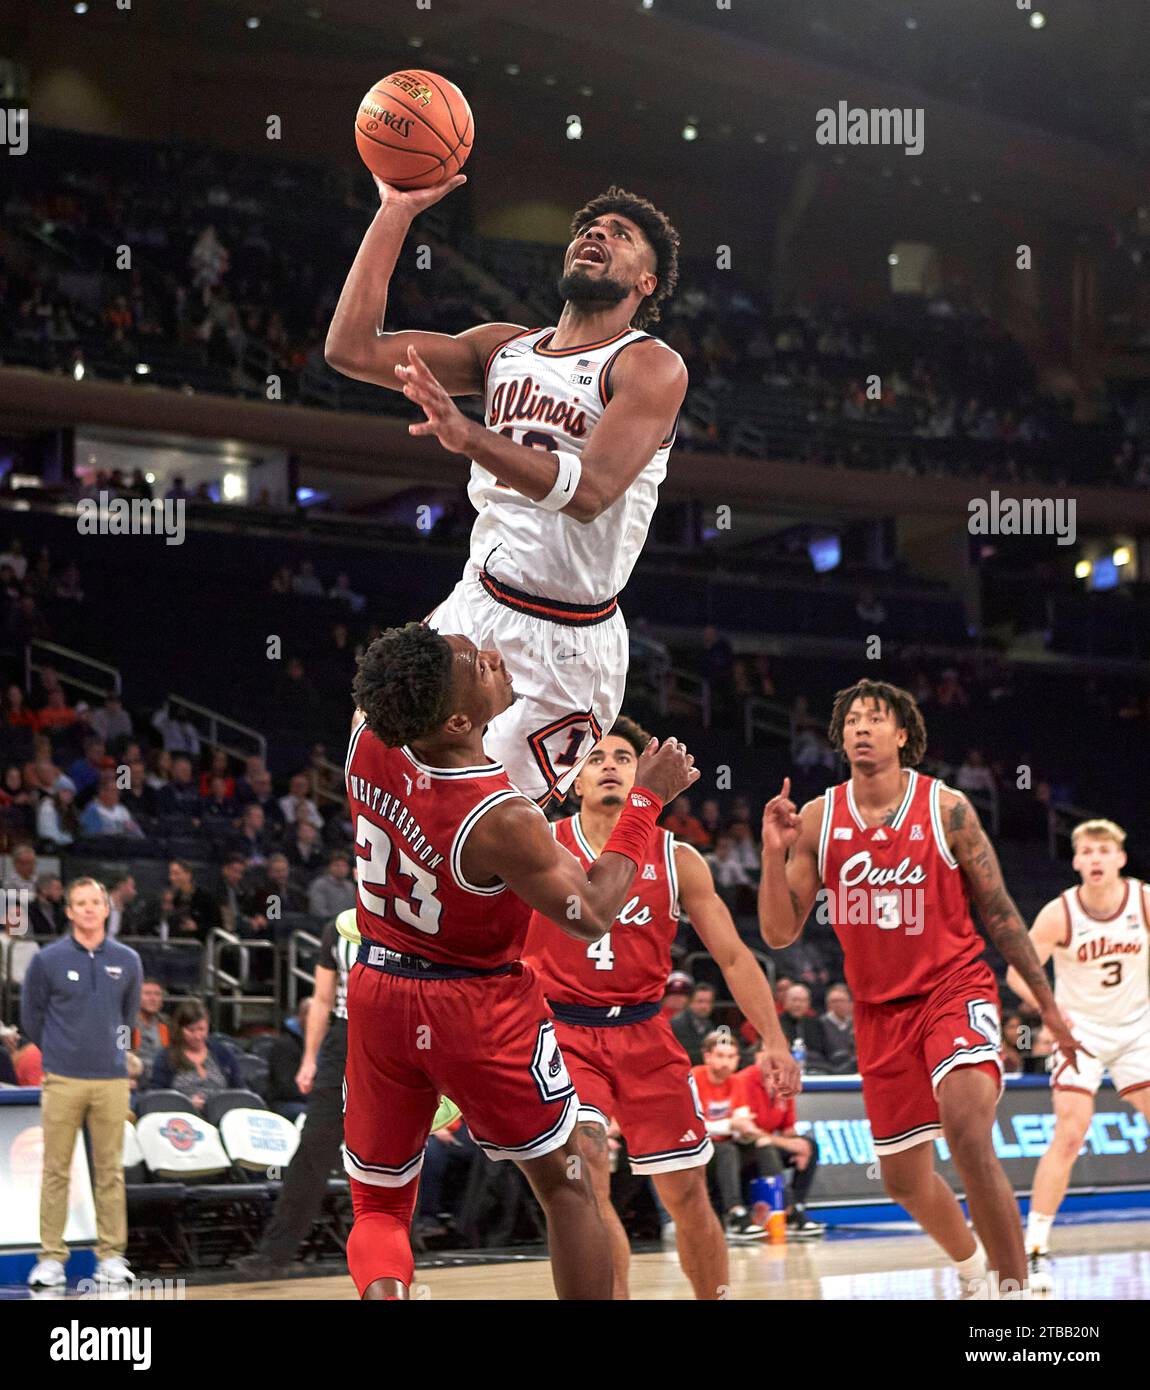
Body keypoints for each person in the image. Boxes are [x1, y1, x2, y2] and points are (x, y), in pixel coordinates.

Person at [340, 621, 697, 1300]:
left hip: (381, 989)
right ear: (456, 719)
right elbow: (591, 911)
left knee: (381, 1205)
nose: (494, 659)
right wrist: (646, 799)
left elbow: (399, 669)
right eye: (479, 664)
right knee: (565, 1186)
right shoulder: (499, 817)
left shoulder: (367, 732)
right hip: (474, 1006)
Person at [327, 175, 687, 806]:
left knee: (486, 822)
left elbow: (591, 492)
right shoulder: (504, 348)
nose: (596, 233)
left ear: (645, 283)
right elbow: (352, 350)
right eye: (589, 228)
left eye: (620, 234)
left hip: (566, 640)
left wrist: (470, 437)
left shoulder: (647, 365)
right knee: (374, 756)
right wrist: (395, 212)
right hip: (478, 597)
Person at [758, 679, 1082, 1299]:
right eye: (851, 719)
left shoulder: (948, 808)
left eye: (875, 718)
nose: (860, 727)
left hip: (953, 989)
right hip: (879, 1012)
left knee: (965, 1128)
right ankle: (970, 1267)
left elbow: (1002, 913)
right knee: (904, 1180)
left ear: (902, 734)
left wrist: (1049, 1009)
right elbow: (776, 932)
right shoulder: (821, 817)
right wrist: (775, 853)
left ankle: (1014, 1296)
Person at [522, 719, 798, 1297]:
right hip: (564, 1034)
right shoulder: (541, 847)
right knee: (588, 1173)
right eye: (595, 758)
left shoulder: (678, 858)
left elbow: (734, 956)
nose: (609, 766)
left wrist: (773, 1041)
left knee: (686, 1192)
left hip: (646, 1032)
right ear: (571, 781)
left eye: (623, 757)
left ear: (642, 776)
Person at [1006, 819, 1150, 1294]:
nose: (1094, 859)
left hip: (1135, 1031)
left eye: (1103, 851)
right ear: (1075, 861)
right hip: (1079, 1034)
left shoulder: (1144, 902)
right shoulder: (1060, 912)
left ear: (1120, 859)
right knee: (1071, 1133)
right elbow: (1017, 973)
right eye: (1086, 852)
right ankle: (1036, 1248)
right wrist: (1050, 1011)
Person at [20, 877, 142, 1288]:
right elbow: (31, 1018)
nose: (88, 909)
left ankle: (110, 1257)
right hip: (62, 1078)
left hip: (111, 1080)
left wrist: (114, 1055)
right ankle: (51, 1257)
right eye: (80, 903)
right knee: (55, 1169)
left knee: (110, 1171)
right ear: (69, 911)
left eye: (95, 902)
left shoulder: (128, 960)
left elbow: (128, 1019)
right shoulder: (47, 959)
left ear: (106, 908)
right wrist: (60, 1051)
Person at [235, 907, 357, 1279]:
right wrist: (309, 1058)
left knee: (398, 1152)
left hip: (394, 1039)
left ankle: (405, 1248)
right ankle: (273, 1255)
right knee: (312, 1151)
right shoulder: (336, 929)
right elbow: (321, 1001)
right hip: (344, 1038)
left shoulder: (412, 920)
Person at [734, 1042, 825, 1237]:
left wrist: (798, 1146)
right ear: (757, 1056)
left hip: (770, 1143)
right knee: (766, 1147)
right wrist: (786, 1143)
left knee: (810, 1146)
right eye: (768, 1053)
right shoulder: (742, 1080)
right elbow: (748, 1132)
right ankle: (789, 1210)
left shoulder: (784, 1082)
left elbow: (788, 1129)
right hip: (745, 1146)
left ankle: (797, 1205)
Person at [691, 1032, 763, 1239]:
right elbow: (696, 1127)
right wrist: (731, 1125)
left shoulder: (736, 1082)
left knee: (763, 1147)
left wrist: (749, 1132)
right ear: (707, 1057)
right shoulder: (694, 1078)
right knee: (727, 1151)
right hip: (696, 1148)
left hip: (724, 1145)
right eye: (720, 1056)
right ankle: (735, 1212)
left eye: (731, 1057)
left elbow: (741, 1122)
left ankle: (786, 1211)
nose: (726, 1062)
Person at [147, 999, 241, 1105]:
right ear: (180, 1029)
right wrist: (185, 1103)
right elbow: (157, 1096)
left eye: (201, 1029)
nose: (197, 1036)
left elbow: (239, 1090)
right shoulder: (165, 1057)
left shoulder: (222, 1052)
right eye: (191, 1030)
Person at [267, 1000, 309, 1121]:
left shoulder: (324, 1044)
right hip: (285, 1102)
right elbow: (285, 1087)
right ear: (302, 1016)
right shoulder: (284, 1044)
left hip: (311, 1099)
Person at [779, 984, 832, 1073]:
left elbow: (825, 1052)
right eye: (794, 1000)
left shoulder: (816, 1024)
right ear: (785, 1002)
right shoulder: (777, 1024)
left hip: (816, 1070)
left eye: (802, 1001)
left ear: (808, 1003)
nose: (798, 1004)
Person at [130, 977, 169, 1078]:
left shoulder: (166, 1024)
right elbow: (121, 1057)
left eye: (157, 994)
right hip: (135, 1078)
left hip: (160, 1077)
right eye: (147, 994)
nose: (153, 999)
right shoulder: (125, 1024)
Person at [671, 981, 717, 1066]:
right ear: (690, 1002)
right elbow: (683, 1053)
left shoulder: (709, 1025)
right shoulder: (677, 1023)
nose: (704, 1006)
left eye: (708, 1002)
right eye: (700, 1001)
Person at [307, 850, 356, 922]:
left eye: (344, 866)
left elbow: (353, 909)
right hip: (325, 923)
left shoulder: (350, 887)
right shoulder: (319, 884)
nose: (341, 869)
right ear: (329, 867)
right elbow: (318, 911)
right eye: (337, 865)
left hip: (347, 923)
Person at [821, 982, 858, 1073]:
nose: (838, 1005)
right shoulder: (820, 1024)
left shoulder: (856, 1024)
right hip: (830, 1069)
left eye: (842, 1001)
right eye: (834, 1001)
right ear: (828, 1004)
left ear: (850, 1003)